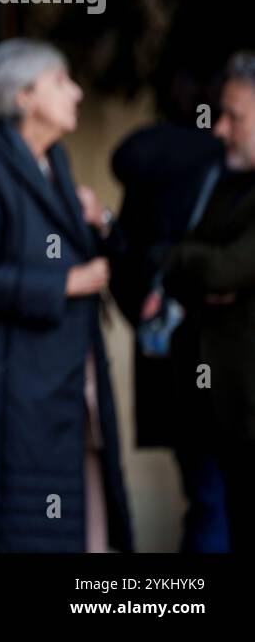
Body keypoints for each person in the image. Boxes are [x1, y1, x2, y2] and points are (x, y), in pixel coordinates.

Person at [0, 38, 134, 552]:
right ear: (24, 96)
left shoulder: (57, 165)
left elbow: (99, 259)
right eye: (60, 81)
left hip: (67, 376)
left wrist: (102, 222)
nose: (77, 91)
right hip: (17, 384)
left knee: (76, 519)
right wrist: (64, 283)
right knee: (26, 526)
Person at [107, 73, 227, 553]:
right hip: (224, 354)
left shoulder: (148, 171)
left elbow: (124, 264)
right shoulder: (225, 163)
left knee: (204, 495)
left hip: (167, 360)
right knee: (221, 498)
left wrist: (150, 321)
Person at [161, 51, 255, 553]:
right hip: (216, 405)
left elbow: (225, 268)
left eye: (234, 117)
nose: (219, 129)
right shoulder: (230, 185)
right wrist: (203, 267)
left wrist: (205, 266)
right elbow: (177, 266)